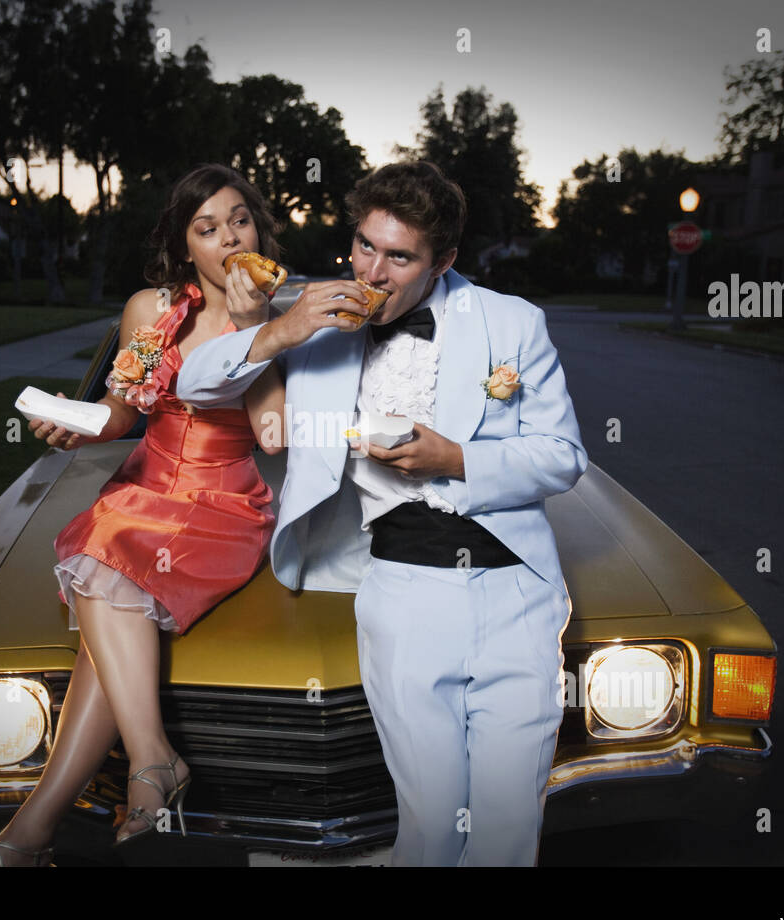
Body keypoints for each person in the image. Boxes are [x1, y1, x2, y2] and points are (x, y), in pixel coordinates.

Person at [176, 161, 588, 865]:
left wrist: (453, 458)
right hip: (401, 589)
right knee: (430, 826)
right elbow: (195, 380)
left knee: (507, 830)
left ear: (444, 261)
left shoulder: (512, 323)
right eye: (366, 246)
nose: (374, 271)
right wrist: (281, 329)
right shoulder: (312, 314)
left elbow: (563, 456)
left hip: (516, 592)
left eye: (400, 257)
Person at [0, 164, 285, 865]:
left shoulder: (279, 314)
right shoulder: (151, 310)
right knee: (110, 572)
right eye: (207, 228)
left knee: (104, 551)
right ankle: (38, 832)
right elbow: (122, 413)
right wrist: (79, 425)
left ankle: (138, 771)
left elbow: (274, 434)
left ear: (258, 227)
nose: (229, 236)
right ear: (186, 247)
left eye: (240, 219)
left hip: (224, 502)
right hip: (146, 485)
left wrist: (259, 326)